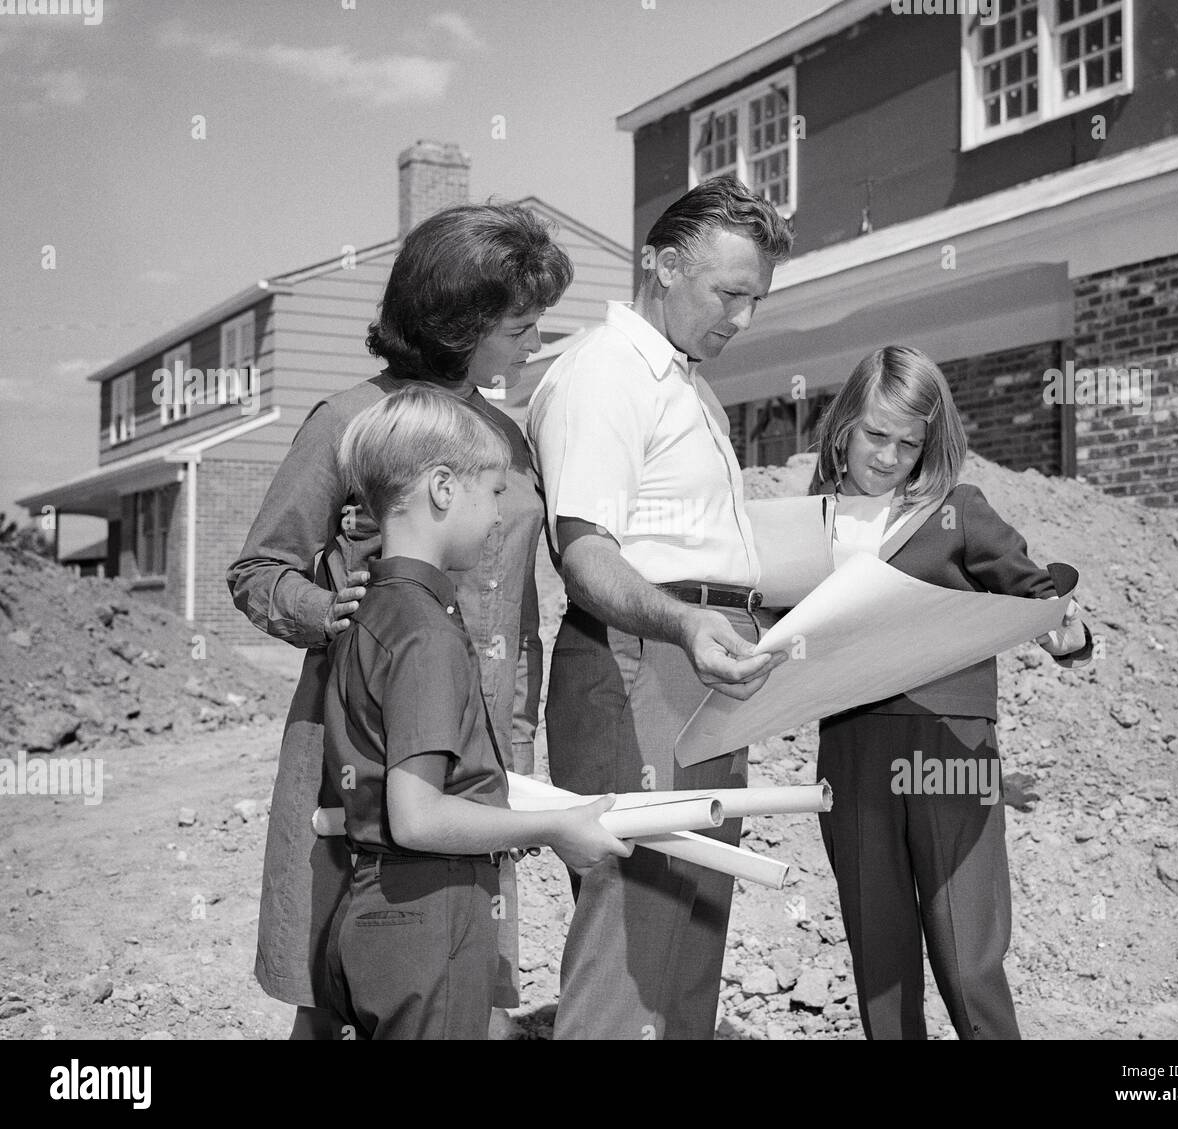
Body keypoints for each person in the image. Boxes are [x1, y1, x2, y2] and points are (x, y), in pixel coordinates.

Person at [227, 202, 572, 1038]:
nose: (533, 344)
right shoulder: (349, 422)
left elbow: (517, 614)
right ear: (459, 325)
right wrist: (323, 607)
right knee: (342, 989)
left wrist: (514, 747)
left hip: (475, 749)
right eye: (521, 326)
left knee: (457, 983)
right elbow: (256, 571)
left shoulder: (505, 441)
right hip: (366, 751)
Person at [526, 175, 794, 1040]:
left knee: (696, 907)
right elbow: (586, 553)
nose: (742, 319)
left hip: (708, 661)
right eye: (729, 294)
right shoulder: (605, 374)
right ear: (662, 264)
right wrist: (683, 624)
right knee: (636, 916)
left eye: (757, 299)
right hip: (640, 658)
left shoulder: (691, 387)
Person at [322, 386, 629, 1040]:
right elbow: (419, 814)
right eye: (493, 491)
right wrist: (558, 826)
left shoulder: (368, 608)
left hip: (381, 908)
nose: (499, 516)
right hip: (431, 916)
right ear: (440, 488)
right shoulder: (426, 633)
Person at [808, 344, 1093, 1040]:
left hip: (952, 744)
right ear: (843, 425)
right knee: (882, 958)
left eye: (910, 442)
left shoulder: (956, 509)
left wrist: (1071, 634)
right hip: (850, 747)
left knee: (968, 960)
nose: (890, 455)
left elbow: (1041, 597)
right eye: (876, 433)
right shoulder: (807, 524)